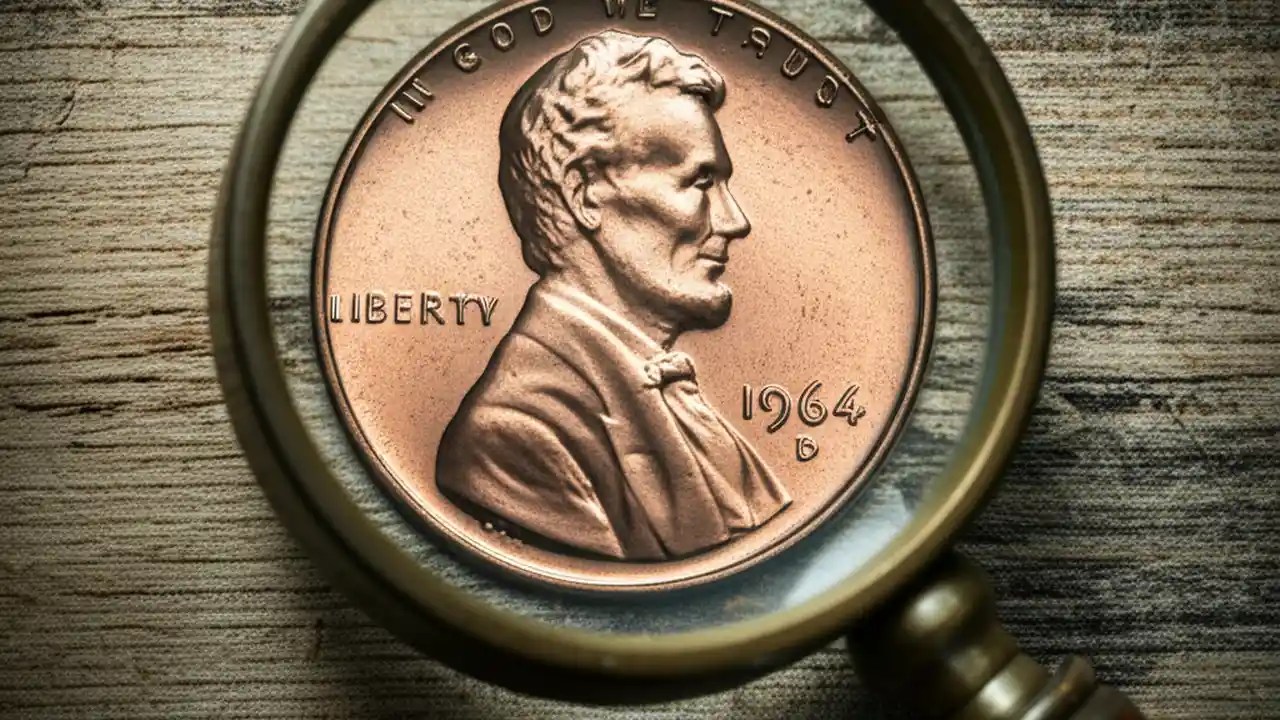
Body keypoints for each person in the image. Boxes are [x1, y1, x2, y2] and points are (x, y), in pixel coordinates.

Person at [436, 31, 790, 561]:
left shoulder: (668, 394)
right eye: (699, 182)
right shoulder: (514, 434)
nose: (734, 221)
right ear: (585, 194)